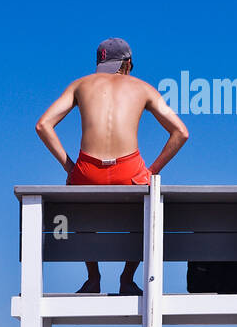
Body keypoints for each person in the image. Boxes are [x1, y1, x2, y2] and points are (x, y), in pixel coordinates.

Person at [35, 38, 190, 295]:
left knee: (79, 204)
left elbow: (43, 125)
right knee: (146, 205)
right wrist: (152, 172)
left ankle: (92, 278)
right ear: (128, 63)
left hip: (87, 171)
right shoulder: (144, 89)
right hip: (129, 170)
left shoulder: (80, 85)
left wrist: (70, 167)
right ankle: (127, 279)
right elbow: (181, 133)